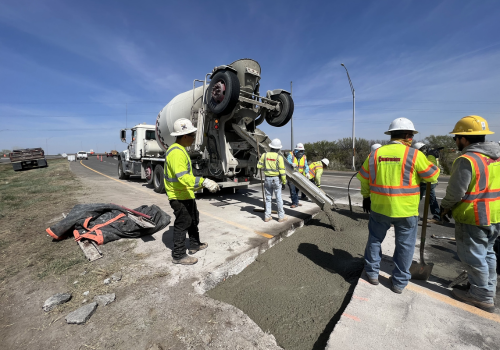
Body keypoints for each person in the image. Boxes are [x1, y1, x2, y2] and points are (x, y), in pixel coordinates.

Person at [357, 117, 440, 294]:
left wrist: (366, 197)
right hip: (406, 210)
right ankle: (399, 283)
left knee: (375, 240)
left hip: (380, 208)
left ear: (391, 135)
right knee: (405, 246)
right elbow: (432, 176)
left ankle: (372, 273)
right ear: (408, 136)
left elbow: (364, 178)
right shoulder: (415, 155)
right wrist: (432, 158)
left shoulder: (375, 155)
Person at [440, 115, 500, 313]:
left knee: (473, 257)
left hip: (474, 216)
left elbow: (457, 192)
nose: (455, 142)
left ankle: (480, 296)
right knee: (488, 254)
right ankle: (486, 289)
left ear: (464, 139)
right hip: (495, 215)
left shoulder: (467, 160)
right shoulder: (497, 156)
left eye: (456, 138)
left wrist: (445, 207)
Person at [164, 118, 220, 265]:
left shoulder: (181, 150)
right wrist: (204, 182)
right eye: (192, 135)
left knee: (193, 219)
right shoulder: (176, 153)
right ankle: (178, 255)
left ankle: (195, 244)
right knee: (183, 222)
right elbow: (183, 177)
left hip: (186, 193)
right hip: (177, 195)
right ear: (183, 136)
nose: (194, 138)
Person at [257, 138, 287, 222]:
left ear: (271, 147)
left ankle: (267, 216)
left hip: (267, 179)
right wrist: (284, 182)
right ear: (278, 149)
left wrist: (260, 160)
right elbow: (282, 171)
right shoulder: (279, 157)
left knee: (268, 198)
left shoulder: (264, 155)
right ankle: (281, 217)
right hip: (276, 179)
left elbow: (259, 166)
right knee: (278, 198)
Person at [413, 142, 442, 223]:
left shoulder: (425, 158)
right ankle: (437, 216)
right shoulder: (431, 157)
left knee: (416, 200)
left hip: (425, 182)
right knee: (432, 199)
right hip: (431, 182)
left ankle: (413, 216)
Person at [287, 143, 310, 208]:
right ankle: (294, 203)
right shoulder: (291, 154)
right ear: (296, 150)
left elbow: (306, 166)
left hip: (299, 176)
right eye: (300, 151)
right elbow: (287, 161)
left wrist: (307, 172)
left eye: (302, 151)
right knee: (292, 190)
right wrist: (291, 164)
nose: (301, 152)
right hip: (291, 176)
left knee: (297, 190)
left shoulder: (304, 157)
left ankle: (296, 201)